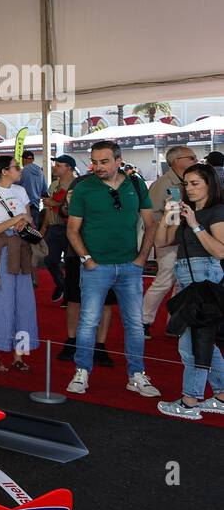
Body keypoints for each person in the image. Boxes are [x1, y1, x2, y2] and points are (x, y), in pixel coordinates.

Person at [65, 140, 160, 397]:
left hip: (130, 266)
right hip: (96, 267)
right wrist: (87, 259)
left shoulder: (136, 184)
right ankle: (82, 371)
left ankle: (136, 374)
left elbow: (150, 224)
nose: (97, 166)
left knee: (135, 324)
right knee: (88, 322)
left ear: (119, 160)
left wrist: (142, 258)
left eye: (104, 161)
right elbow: (72, 229)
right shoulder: (84, 188)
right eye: (94, 161)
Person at [153, 164, 224, 418]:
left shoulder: (216, 212)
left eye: (195, 183)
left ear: (209, 184)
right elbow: (162, 241)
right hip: (187, 278)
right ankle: (221, 394)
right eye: (186, 184)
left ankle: (190, 401)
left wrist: (194, 225)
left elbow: (221, 251)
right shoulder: (189, 211)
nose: (189, 189)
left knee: (191, 343)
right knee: (202, 341)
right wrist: (167, 217)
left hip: (204, 277)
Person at [0, 155, 38, 372]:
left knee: (24, 304)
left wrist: (21, 220)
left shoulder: (21, 191)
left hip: (20, 250)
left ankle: (19, 354)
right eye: (16, 167)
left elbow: (29, 220)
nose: (20, 170)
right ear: (4, 171)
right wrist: (16, 219)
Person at [143, 146, 198, 336]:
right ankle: (143, 321)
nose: (195, 159)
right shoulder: (165, 184)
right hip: (169, 240)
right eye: (191, 157)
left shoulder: (185, 181)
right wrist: (167, 232)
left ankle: (174, 323)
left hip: (184, 239)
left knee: (181, 283)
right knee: (164, 281)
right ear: (176, 161)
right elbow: (152, 215)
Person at [41, 155, 77, 302]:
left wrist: (55, 204)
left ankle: (70, 295)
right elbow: (49, 208)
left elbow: (75, 208)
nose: (54, 167)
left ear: (69, 167)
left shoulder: (77, 185)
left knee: (71, 263)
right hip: (54, 228)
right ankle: (62, 285)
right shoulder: (54, 185)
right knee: (49, 260)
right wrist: (44, 227)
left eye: (59, 165)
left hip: (71, 229)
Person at [20, 151, 47, 226]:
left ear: (23, 159)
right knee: (34, 232)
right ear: (33, 159)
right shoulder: (40, 171)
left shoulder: (22, 171)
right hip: (36, 205)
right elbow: (44, 191)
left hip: (24, 207)